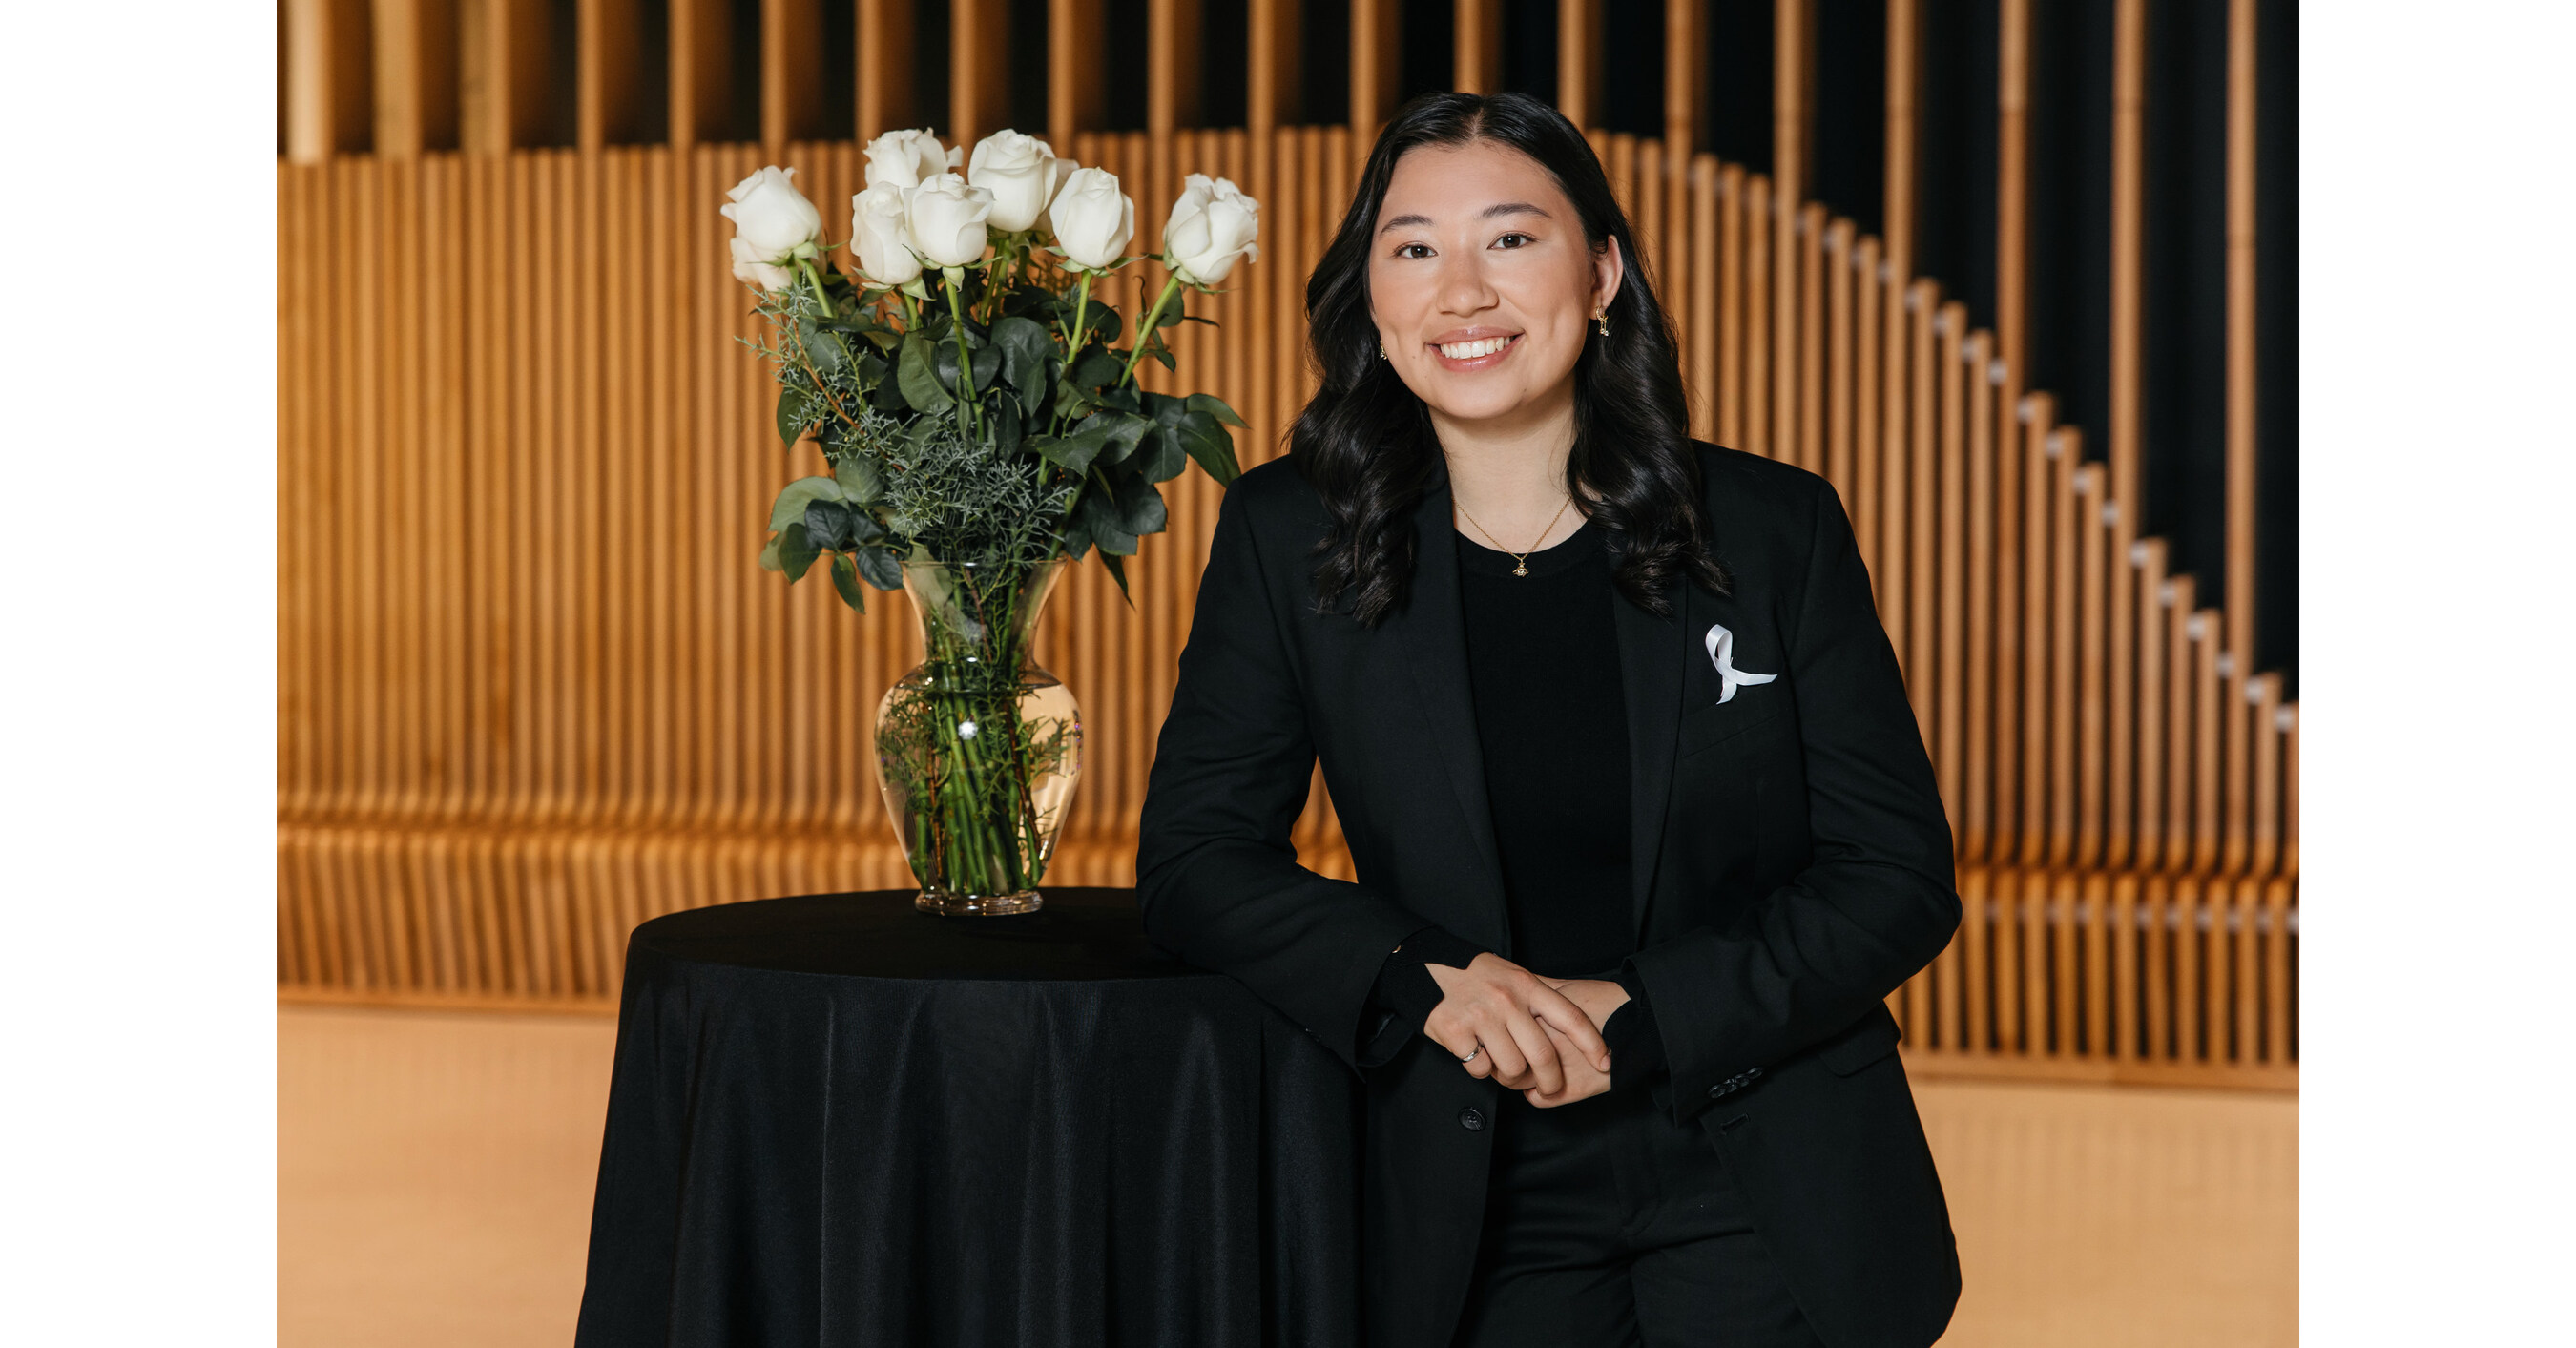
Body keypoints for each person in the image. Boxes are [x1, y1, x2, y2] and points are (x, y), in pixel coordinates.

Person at [1135, 92, 1962, 1348]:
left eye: (1511, 240)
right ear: (1372, 293)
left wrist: (1643, 1014)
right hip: (1467, 1174)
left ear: (1604, 273)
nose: (1461, 292)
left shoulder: (1771, 530)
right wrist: (1426, 981)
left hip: (1754, 1154)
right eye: (1414, 247)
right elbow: (1197, 855)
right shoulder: (1284, 533)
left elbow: (1896, 875)